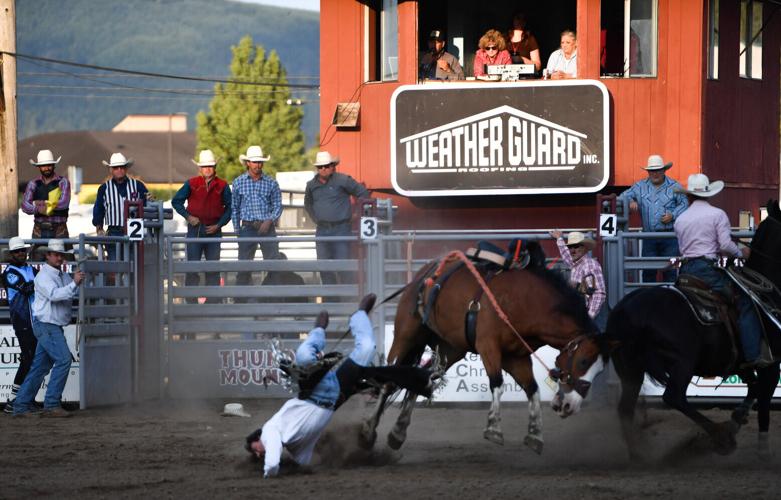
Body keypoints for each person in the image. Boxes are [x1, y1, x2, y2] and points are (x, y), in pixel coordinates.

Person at [246, 294, 439, 478]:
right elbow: (303, 462)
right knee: (367, 348)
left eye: (254, 450)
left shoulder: (270, 431)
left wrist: (268, 474)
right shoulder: (296, 449)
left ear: (258, 437)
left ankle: (319, 330)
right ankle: (359, 315)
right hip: (336, 392)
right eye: (256, 456)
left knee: (304, 355)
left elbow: (271, 464)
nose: (258, 455)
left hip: (316, 390)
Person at [674, 174, 765, 368]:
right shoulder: (717, 214)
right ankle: (752, 356)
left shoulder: (680, 219)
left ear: (689, 196)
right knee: (746, 301)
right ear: (708, 195)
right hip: (707, 270)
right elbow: (724, 245)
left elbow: (682, 249)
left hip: (686, 271)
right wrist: (741, 252)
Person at [13, 239, 84, 417]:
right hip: (48, 325)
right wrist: (75, 283)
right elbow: (55, 295)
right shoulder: (44, 276)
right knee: (63, 360)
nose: (59, 258)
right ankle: (51, 404)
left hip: (49, 325)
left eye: (61, 255)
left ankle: (21, 405)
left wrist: (75, 283)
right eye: (56, 254)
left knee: (40, 367)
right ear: (48, 256)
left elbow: (66, 292)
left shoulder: (58, 276)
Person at [171, 149, 232, 303]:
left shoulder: (222, 185)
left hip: (214, 230)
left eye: (210, 166)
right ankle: (191, 301)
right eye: (205, 166)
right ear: (200, 168)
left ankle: (213, 301)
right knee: (192, 267)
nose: (207, 168)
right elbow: (176, 201)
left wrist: (218, 225)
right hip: (195, 229)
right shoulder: (192, 183)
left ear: (214, 167)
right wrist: (188, 216)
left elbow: (231, 208)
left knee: (213, 268)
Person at [618, 154, 689, 282]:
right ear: (648, 172)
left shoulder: (675, 186)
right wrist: (630, 200)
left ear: (664, 170)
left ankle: (670, 299)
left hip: (670, 237)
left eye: (658, 170)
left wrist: (673, 215)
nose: (655, 174)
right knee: (648, 272)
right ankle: (648, 300)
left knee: (671, 272)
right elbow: (622, 196)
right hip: (648, 237)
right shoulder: (639, 187)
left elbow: (684, 203)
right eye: (652, 171)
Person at [304, 151, 369, 285]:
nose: (323, 169)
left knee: (343, 264)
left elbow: (362, 193)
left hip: (341, 228)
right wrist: (316, 218)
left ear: (332, 166)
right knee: (323, 266)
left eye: (326, 166)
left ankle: (346, 296)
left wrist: (356, 213)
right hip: (322, 229)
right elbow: (308, 204)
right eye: (320, 167)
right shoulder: (311, 185)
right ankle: (331, 298)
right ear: (317, 168)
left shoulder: (343, 180)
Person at [231, 145, 282, 292]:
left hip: (267, 227)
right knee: (244, 266)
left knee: (273, 265)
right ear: (248, 163)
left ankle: (275, 298)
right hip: (247, 227)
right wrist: (237, 230)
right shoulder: (238, 182)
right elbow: (235, 207)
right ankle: (241, 299)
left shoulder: (271, 182)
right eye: (254, 162)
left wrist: (269, 220)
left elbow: (278, 205)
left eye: (260, 162)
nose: (257, 165)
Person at [2, 237, 38, 414]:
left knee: (32, 360)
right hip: (22, 321)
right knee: (29, 359)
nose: (21, 253)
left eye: (23, 250)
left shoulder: (29, 269)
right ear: (12, 254)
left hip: (34, 320)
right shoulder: (9, 272)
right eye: (17, 251)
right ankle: (13, 401)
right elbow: (27, 288)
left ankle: (24, 399)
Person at [92, 152, 150, 261]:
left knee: (134, 266)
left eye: (122, 167)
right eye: (116, 167)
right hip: (114, 231)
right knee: (115, 266)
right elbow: (99, 209)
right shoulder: (104, 188)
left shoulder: (138, 185)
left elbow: (148, 204)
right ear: (111, 170)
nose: (119, 170)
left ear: (126, 168)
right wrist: (99, 227)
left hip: (134, 230)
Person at [549, 230, 608, 332]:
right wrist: (559, 239)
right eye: (570, 247)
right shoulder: (577, 263)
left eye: (576, 246)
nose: (572, 250)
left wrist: (588, 318)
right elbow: (567, 255)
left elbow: (599, 293)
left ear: (584, 248)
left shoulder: (589, 265)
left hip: (592, 318)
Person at [21, 149, 71, 241]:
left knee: (62, 254)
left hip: (59, 228)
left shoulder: (63, 182)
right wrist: (40, 208)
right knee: (38, 255)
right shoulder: (33, 183)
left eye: (49, 165)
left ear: (54, 165)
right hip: (39, 229)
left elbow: (64, 203)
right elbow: (24, 206)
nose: (46, 168)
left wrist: (37, 204)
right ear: (39, 167)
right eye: (43, 166)